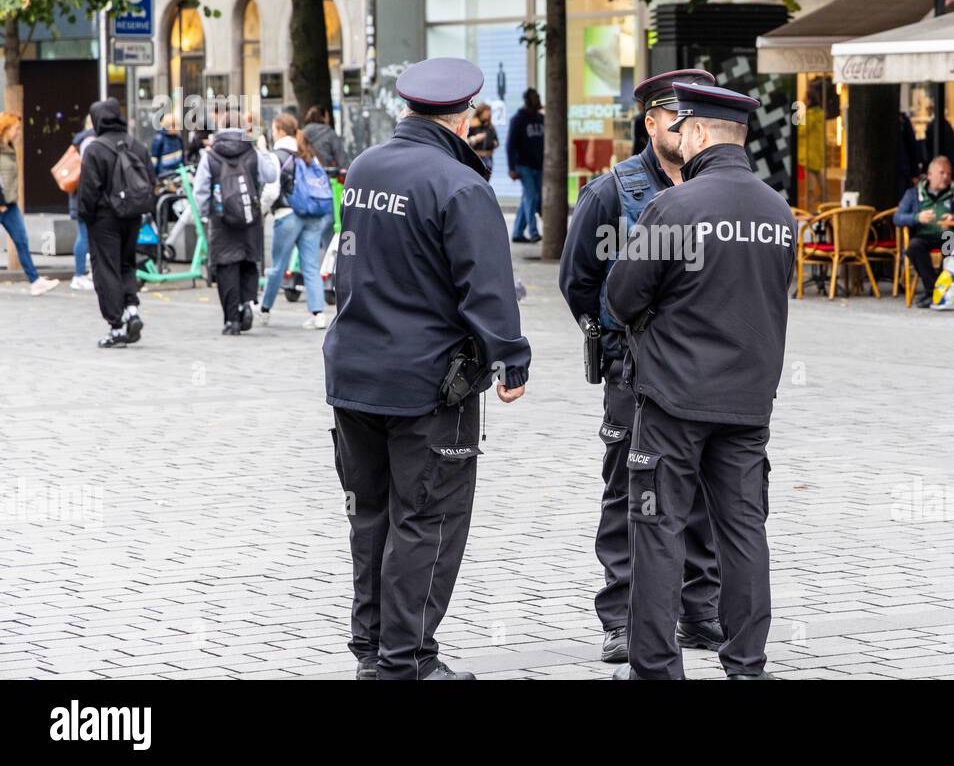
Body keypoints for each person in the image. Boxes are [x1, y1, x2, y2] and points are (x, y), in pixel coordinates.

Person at [323, 57, 531, 681]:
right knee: (428, 520)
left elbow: (354, 262)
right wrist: (511, 359)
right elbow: (486, 287)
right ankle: (406, 660)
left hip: (355, 372)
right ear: (463, 117)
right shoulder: (460, 185)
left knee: (371, 515)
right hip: (426, 384)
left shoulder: (364, 168)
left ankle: (372, 650)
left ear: (408, 109)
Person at [604, 81, 795, 681]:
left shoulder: (675, 206)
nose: (677, 140)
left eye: (682, 129)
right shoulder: (777, 211)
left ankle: (656, 669)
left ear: (704, 132)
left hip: (672, 401)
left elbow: (621, 297)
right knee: (743, 532)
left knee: (658, 529)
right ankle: (747, 664)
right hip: (747, 403)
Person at [558, 69, 723, 665]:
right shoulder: (614, 190)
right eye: (675, 119)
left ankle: (701, 613)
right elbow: (577, 279)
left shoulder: (717, 183)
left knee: (705, 486)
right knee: (633, 489)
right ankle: (623, 619)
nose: (685, 130)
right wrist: (615, 335)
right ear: (651, 122)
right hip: (634, 368)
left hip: (703, 364)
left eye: (693, 120)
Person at [76, 100, 155, 345]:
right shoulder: (137, 146)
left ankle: (116, 327)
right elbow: (150, 180)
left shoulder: (95, 149)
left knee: (106, 270)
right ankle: (132, 309)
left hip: (103, 219)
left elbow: (88, 191)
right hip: (132, 216)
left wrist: (86, 217)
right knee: (126, 264)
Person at [192, 125, 281, 335]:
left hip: (222, 220)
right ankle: (247, 304)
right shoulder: (252, 152)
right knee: (248, 261)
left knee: (226, 267)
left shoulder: (210, 156)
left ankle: (232, 320)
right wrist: (264, 150)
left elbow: (201, 189)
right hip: (250, 216)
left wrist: (206, 212)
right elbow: (270, 175)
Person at [257, 113, 332, 329]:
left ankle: (264, 309)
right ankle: (318, 314)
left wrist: (262, 210)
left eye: (273, 128)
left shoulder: (277, 155)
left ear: (280, 130)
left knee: (278, 266)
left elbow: (271, 190)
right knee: (310, 265)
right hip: (313, 214)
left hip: (288, 214)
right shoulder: (308, 153)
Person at [893, 156, 954, 307]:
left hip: (948, 235)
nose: (946, 177)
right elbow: (897, 218)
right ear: (930, 174)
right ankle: (936, 290)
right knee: (914, 247)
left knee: (953, 244)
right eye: (942, 173)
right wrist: (917, 217)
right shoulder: (914, 194)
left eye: (948, 174)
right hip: (923, 236)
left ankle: (937, 291)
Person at [0, 112, 61, 296]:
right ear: (6, 128)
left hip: (9, 203)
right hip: (2, 202)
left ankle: (35, 281)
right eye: (16, 129)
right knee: (21, 239)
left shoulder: (9, 148)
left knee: (21, 239)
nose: (18, 133)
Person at [507, 88, 544, 243]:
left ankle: (517, 232)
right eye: (535, 98)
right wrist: (511, 167)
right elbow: (510, 145)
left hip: (539, 165)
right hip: (523, 165)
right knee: (531, 197)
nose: (538, 100)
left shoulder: (542, 119)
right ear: (528, 101)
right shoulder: (518, 119)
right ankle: (534, 231)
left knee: (528, 199)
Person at [69, 115, 96, 291]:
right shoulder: (90, 140)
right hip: (84, 196)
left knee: (86, 235)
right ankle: (78, 275)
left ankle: (82, 273)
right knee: (85, 236)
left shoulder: (81, 140)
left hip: (79, 195)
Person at [302, 105, 347, 170]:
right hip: (326, 173)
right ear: (322, 117)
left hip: (307, 173)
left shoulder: (302, 133)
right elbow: (340, 156)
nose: (328, 119)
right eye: (327, 116)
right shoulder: (329, 133)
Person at [466, 103, 499, 174]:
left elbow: (496, 142)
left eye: (489, 112)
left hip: (488, 157)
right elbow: (464, 141)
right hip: (476, 158)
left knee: (486, 180)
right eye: (486, 112)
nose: (488, 114)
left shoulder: (490, 127)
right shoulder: (472, 126)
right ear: (480, 113)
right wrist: (475, 139)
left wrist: (493, 143)